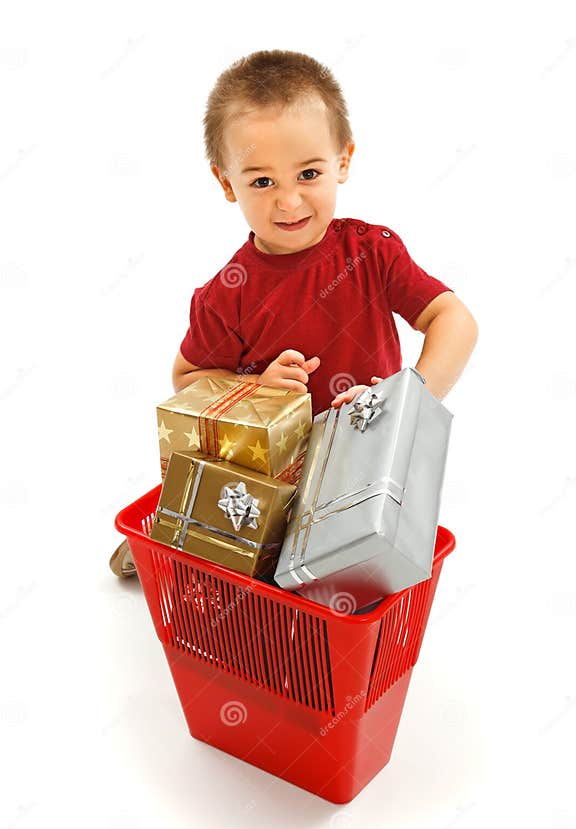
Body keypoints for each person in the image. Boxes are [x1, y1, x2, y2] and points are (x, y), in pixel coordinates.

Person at [110, 48, 478, 579]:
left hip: (361, 471)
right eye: (262, 181)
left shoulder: (371, 252)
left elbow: (454, 320)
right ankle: (174, 543)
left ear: (343, 161)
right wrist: (257, 385)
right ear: (225, 182)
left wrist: (406, 399)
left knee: (359, 566)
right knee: (247, 555)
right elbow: (186, 379)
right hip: (270, 485)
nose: (288, 203)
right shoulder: (228, 293)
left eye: (308, 173)